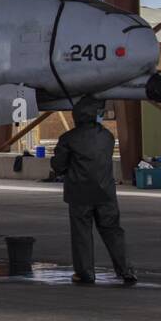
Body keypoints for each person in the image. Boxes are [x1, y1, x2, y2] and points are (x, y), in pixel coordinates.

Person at [51, 96, 136, 285]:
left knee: (82, 234)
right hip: (106, 192)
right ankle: (126, 270)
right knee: (113, 231)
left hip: (80, 193)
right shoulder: (107, 137)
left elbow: (58, 165)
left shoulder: (69, 139)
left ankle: (85, 273)